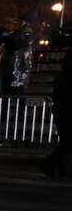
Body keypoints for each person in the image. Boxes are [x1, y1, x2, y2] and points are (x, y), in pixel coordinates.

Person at [38, 50, 72, 180]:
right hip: (66, 113)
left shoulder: (62, 76)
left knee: (67, 143)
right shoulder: (66, 77)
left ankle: (57, 167)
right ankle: (52, 165)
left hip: (62, 113)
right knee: (67, 143)